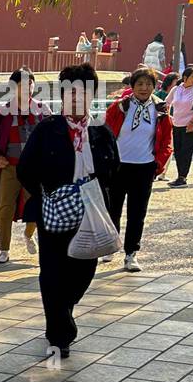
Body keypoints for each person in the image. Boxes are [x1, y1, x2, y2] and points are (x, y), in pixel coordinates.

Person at [16, 63, 119, 358]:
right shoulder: (48, 129)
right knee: (51, 272)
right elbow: (25, 168)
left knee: (84, 269)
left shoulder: (101, 131)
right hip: (54, 213)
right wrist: (50, 194)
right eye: (70, 92)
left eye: (82, 93)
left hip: (91, 211)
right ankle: (59, 335)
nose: (76, 99)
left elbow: (113, 168)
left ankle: (64, 313)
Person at [103, 66, 171, 272]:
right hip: (118, 166)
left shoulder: (160, 110)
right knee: (112, 208)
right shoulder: (119, 107)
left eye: (148, 84)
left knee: (137, 213)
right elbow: (105, 133)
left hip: (144, 167)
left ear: (154, 87)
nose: (144, 88)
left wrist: (157, 164)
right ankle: (110, 245)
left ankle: (131, 253)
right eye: (140, 84)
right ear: (132, 86)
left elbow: (167, 140)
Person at [0, 68, 43, 264]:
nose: (27, 88)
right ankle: (3, 249)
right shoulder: (4, 110)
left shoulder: (42, 109)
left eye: (30, 83)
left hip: (33, 168)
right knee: (5, 207)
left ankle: (28, 233)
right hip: (9, 167)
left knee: (36, 205)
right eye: (22, 84)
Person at [166, 66, 193, 187]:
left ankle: (183, 177)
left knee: (186, 151)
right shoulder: (176, 89)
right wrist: (168, 116)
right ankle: (180, 175)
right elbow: (167, 102)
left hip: (190, 125)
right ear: (185, 77)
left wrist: (192, 121)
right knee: (177, 151)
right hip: (176, 124)